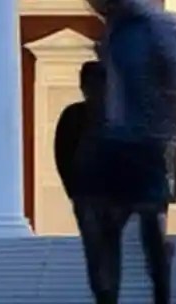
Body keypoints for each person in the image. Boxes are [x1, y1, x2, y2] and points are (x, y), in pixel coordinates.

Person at [79, 0, 176, 304]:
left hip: (146, 140)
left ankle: (161, 287)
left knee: (148, 218)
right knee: (99, 214)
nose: (93, 5)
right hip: (118, 138)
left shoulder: (152, 28)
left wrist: (165, 121)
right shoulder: (113, 33)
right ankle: (106, 291)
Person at [53, 60, 108, 301]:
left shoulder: (114, 117)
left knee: (105, 247)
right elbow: (62, 153)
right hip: (86, 194)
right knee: (95, 247)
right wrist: (72, 190)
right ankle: (102, 293)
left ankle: (106, 292)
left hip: (110, 195)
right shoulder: (73, 115)